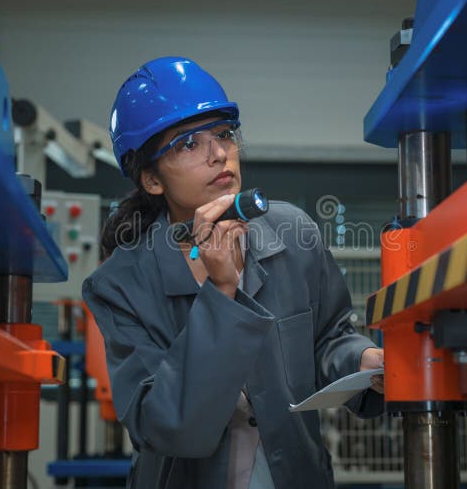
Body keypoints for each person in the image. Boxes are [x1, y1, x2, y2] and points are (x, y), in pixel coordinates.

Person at [83, 56, 385, 489]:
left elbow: (328, 339)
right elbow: (164, 425)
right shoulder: (121, 284)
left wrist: (362, 359)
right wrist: (222, 290)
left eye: (224, 135)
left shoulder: (292, 233)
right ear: (151, 179)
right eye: (189, 144)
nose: (219, 153)